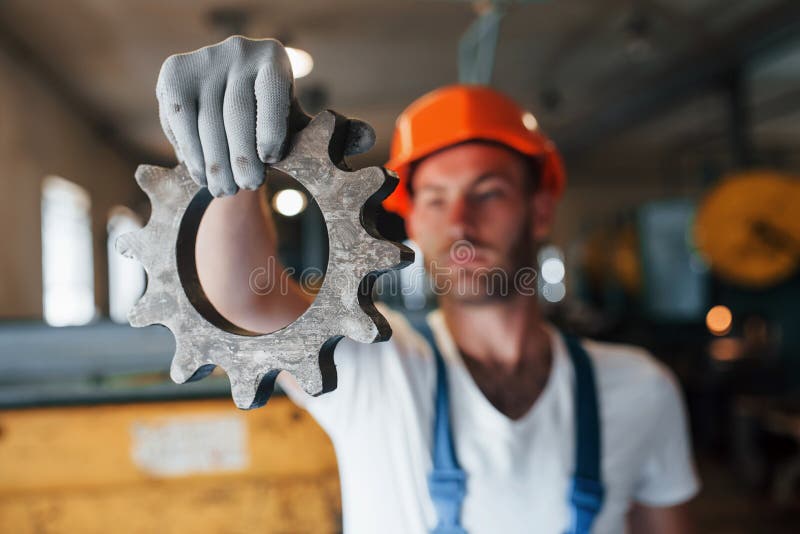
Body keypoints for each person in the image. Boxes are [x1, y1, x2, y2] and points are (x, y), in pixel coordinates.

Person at [156, 36, 700, 534]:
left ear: (539, 212)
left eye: (487, 193)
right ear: (412, 220)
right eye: (435, 199)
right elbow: (243, 298)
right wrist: (231, 163)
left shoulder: (640, 390)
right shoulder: (376, 368)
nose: (460, 222)